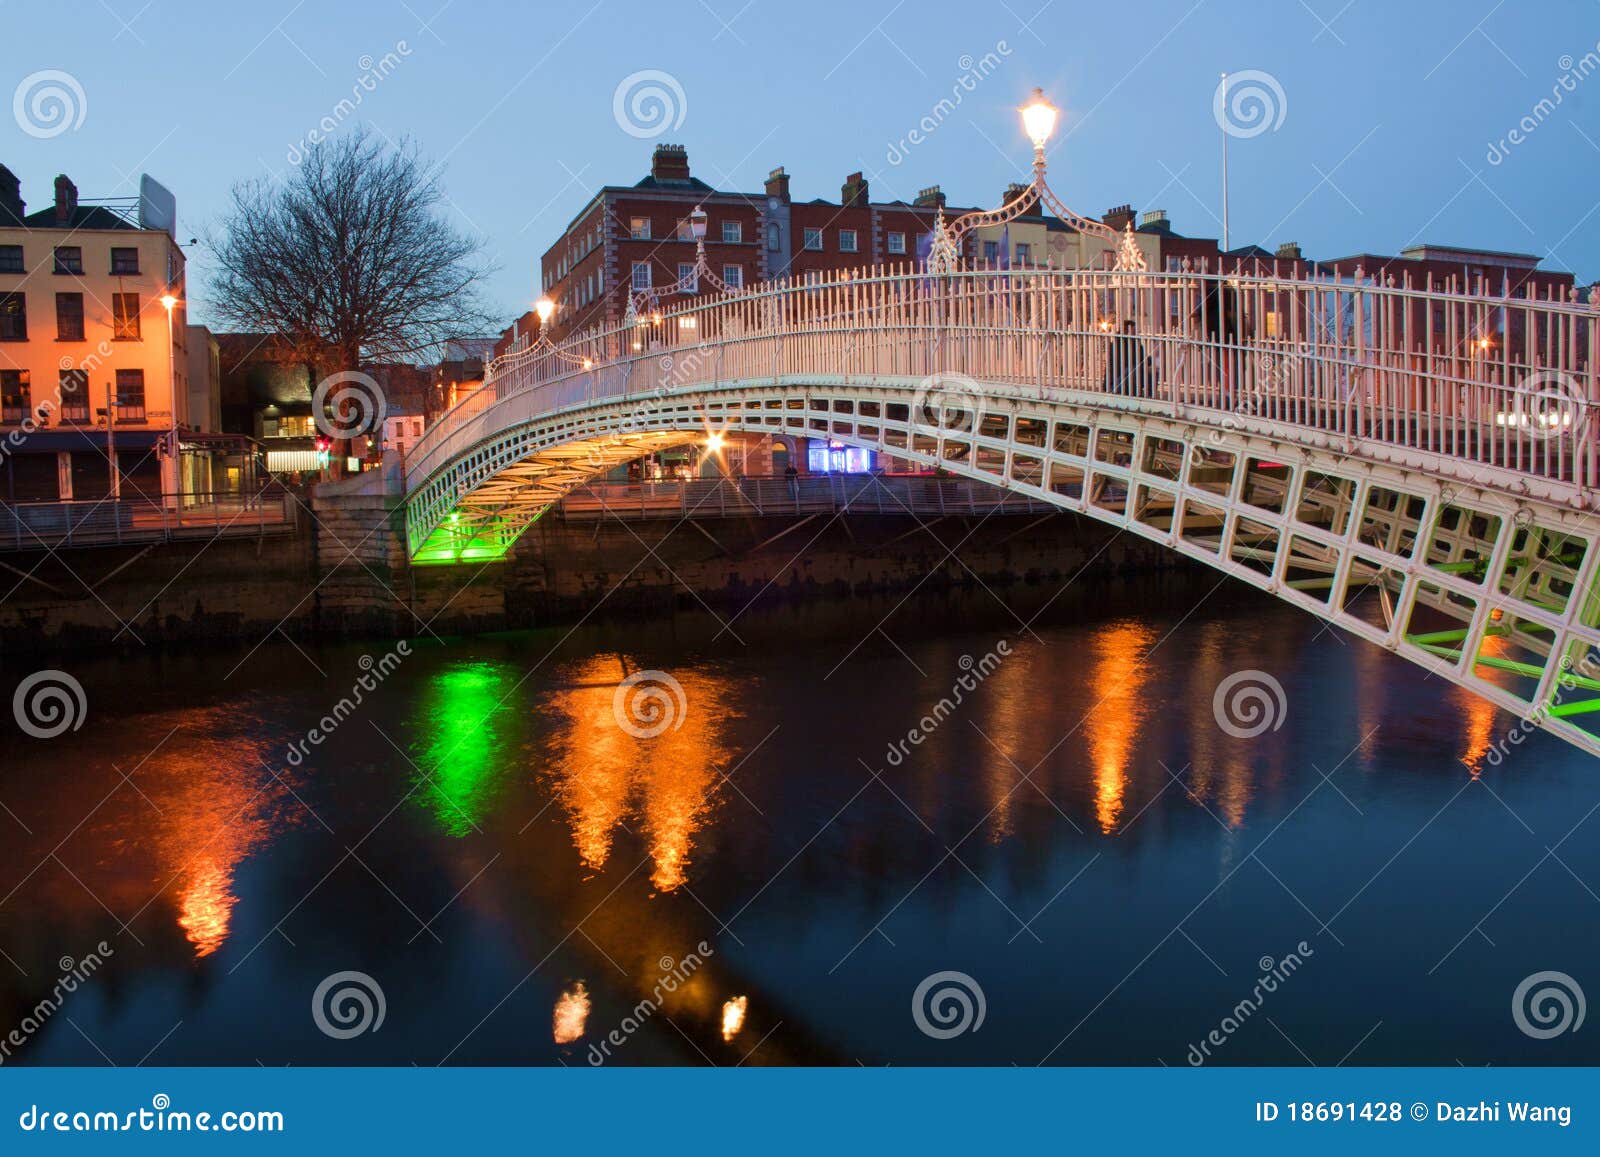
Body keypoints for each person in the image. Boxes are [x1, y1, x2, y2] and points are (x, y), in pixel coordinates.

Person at [1102, 320, 1154, 396]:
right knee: (1132, 369)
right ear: (1126, 331)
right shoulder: (1118, 344)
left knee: (1152, 371)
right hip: (1114, 384)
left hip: (1127, 378)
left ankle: (1149, 395)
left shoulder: (1136, 343)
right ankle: (1134, 392)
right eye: (1134, 330)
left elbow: (1145, 361)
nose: (1137, 332)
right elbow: (1129, 362)